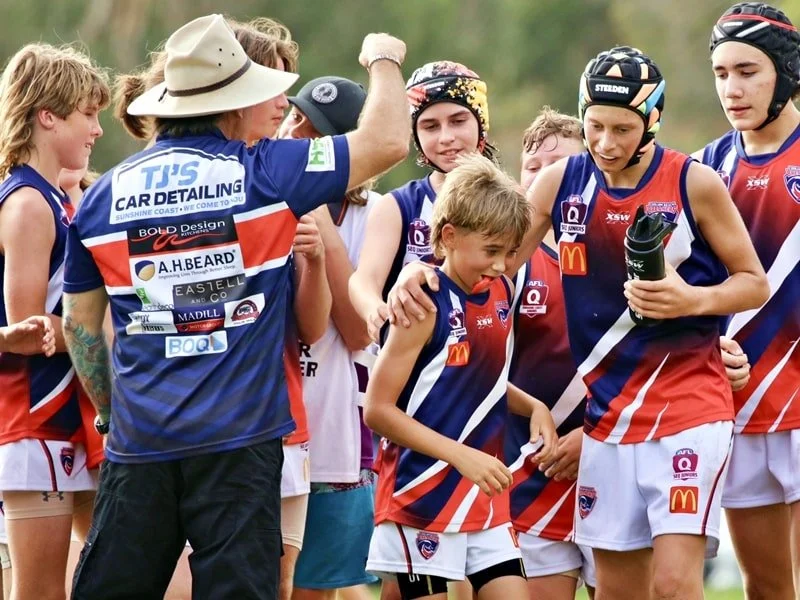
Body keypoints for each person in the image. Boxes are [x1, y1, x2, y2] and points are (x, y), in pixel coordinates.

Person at [386, 46, 769, 600]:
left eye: (622, 129)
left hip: (689, 409)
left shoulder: (694, 182)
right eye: (594, 127)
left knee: (673, 585)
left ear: (652, 122)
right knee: (618, 590)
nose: (607, 144)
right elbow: (487, 252)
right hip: (607, 420)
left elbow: (752, 282)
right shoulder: (562, 180)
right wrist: (417, 275)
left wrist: (688, 299)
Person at [62, 14, 409, 600]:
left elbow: (80, 326)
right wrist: (383, 59)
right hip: (239, 446)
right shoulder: (267, 172)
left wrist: (108, 409)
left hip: (140, 443)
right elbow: (389, 141)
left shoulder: (102, 194)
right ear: (233, 105)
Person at [364, 153, 558, 600]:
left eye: (509, 253)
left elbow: (477, 378)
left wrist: (533, 407)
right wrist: (459, 456)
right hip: (421, 495)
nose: (501, 264)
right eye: (491, 251)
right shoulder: (421, 305)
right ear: (448, 236)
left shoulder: (501, 290)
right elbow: (377, 410)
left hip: (483, 494)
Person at [698, 4, 800, 598]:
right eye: (720, 73)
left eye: (748, 71)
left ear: (786, 72)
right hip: (737, 404)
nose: (731, 89)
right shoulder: (706, 168)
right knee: (765, 588)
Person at [0, 42, 108, 600]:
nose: (96, 129)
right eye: (87, 114)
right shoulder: (26, 203)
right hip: (36, 421)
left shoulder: (57, 197)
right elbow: (31, 329)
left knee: (127, 571)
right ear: (48, 115)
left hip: (76, 419)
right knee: (39, 592)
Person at [279, 76, 381, 600]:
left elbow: (358, 327)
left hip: (339, 434)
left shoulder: (376, 213)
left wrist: (313, 204)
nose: (292, 130)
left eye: (311, 129)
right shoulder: (262, 196)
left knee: (314, 590)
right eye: (293, 116)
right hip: (273, 428)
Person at [506, 108, 597, 600]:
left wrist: (596, 434)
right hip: (533, 468)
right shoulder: (507, 262)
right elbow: (478, 365)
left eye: (559, 165)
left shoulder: (630, 249)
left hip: (611, 458)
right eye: (532, 168)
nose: (543, 179)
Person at [349, 61, 495, 341]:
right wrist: (374, 310)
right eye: (430, 126)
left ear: (481, 121)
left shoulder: (512, 201)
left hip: (487, 368)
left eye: (458, 121)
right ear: (415, 134)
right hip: (416, 372)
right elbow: (364, 280)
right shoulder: (398, 206)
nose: (446, 138)